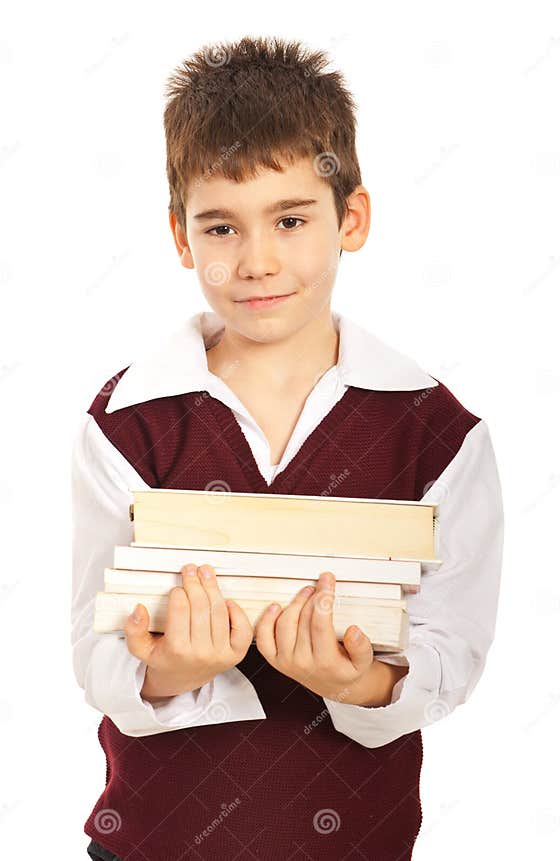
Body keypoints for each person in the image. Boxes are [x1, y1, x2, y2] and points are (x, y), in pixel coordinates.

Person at [72, 35, 505, 861]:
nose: (257, 260)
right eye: (221, 227)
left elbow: (453, 650)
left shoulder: (436, 433)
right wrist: (172, 669)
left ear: (352, 218)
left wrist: (363, 683)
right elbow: (94, 653)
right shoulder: (126, 422)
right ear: (180, 235)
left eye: (292, 218)